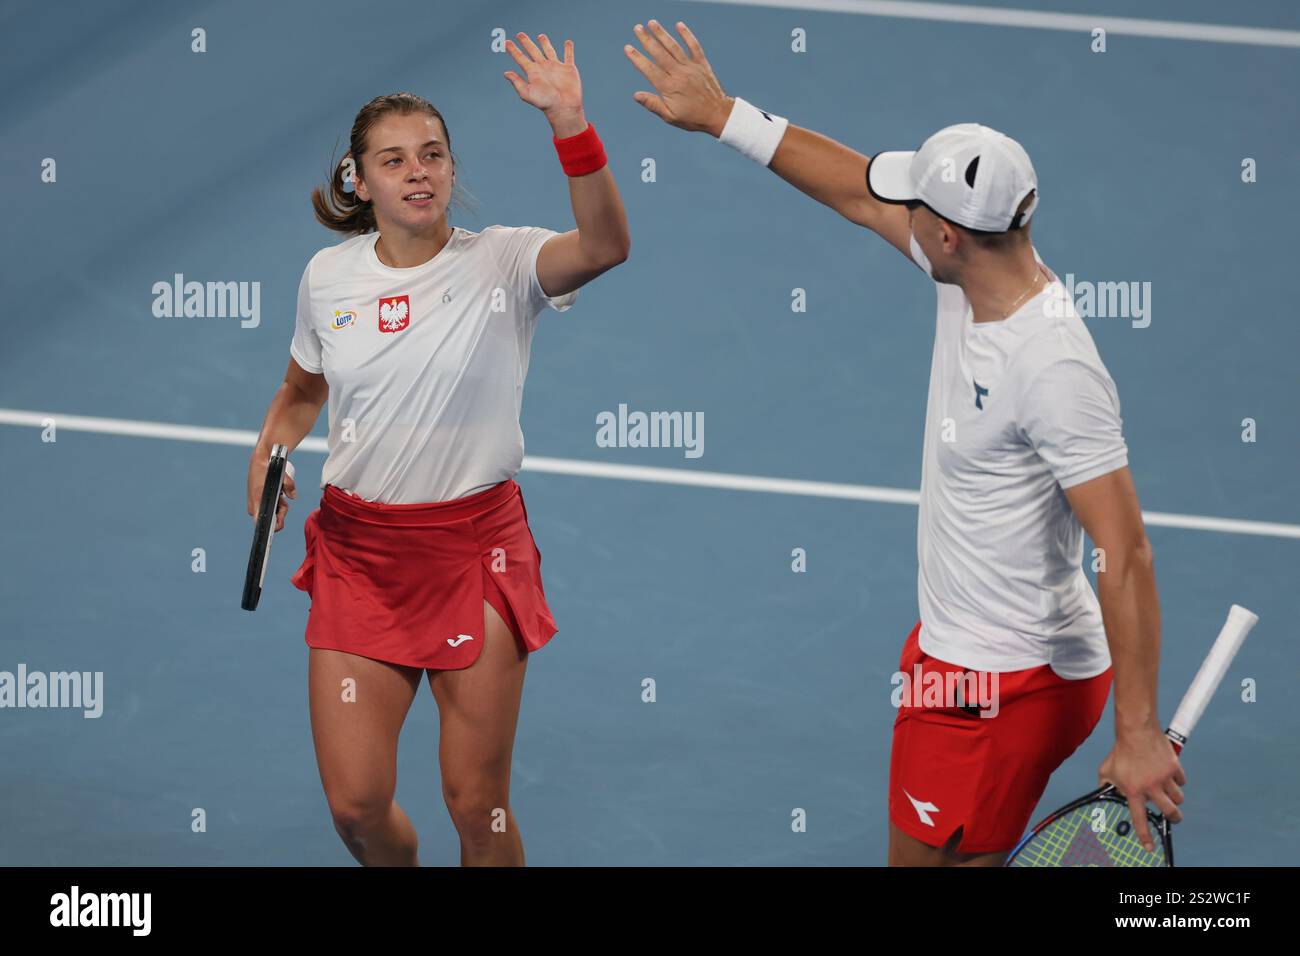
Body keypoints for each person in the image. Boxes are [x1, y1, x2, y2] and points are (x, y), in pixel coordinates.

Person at [623, 19, 1182, 866]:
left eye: (912, 204)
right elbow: (853, 189)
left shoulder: (1052, 366)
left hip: (997, 685)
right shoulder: (975, 274)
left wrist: (1137, 731)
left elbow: (1127, 550)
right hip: (966, 659)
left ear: (949, 233)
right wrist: (722, 115)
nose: (894, 208)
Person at [247, 33, 630, 866]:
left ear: (452, 169)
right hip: (358, 556)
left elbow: (604, 246)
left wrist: (571, 123)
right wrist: (270, 452)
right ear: (359, 180)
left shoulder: (505, 262)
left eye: (433, 154)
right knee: (355, 807)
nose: (418, 171)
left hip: (473, 553)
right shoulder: (327, 279)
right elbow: (301, 393)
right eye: (393, 160)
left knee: (475, 803)